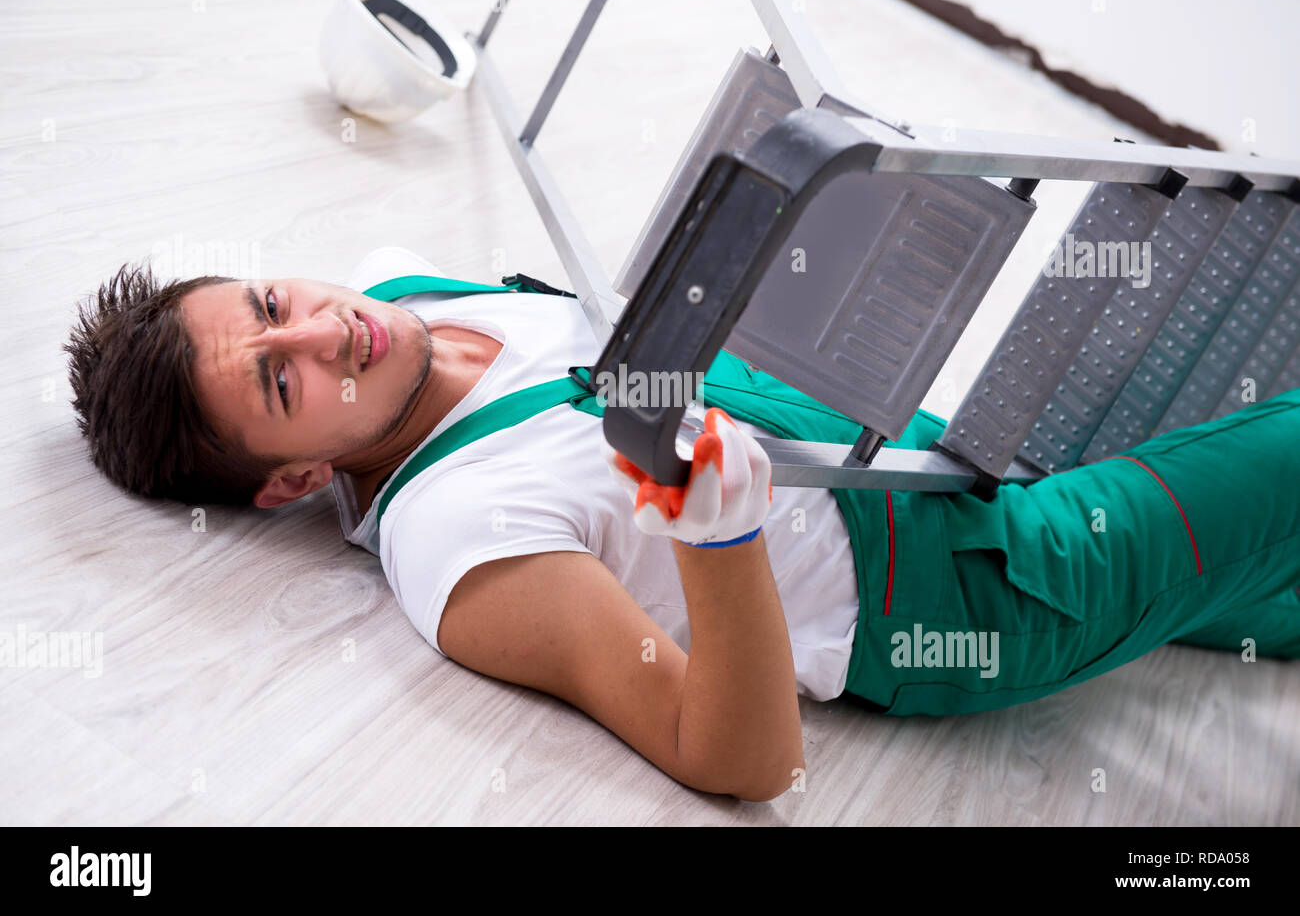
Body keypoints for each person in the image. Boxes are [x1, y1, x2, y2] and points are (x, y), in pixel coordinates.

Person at [63, 246, 1300, 803]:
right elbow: (739, 762)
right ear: (287, 485)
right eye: (284, 382)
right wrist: (719, 541)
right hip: (985, 585)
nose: (327, 330)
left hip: (933, 437)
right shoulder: (460, 543)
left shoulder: (407, 297)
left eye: (274, 301)